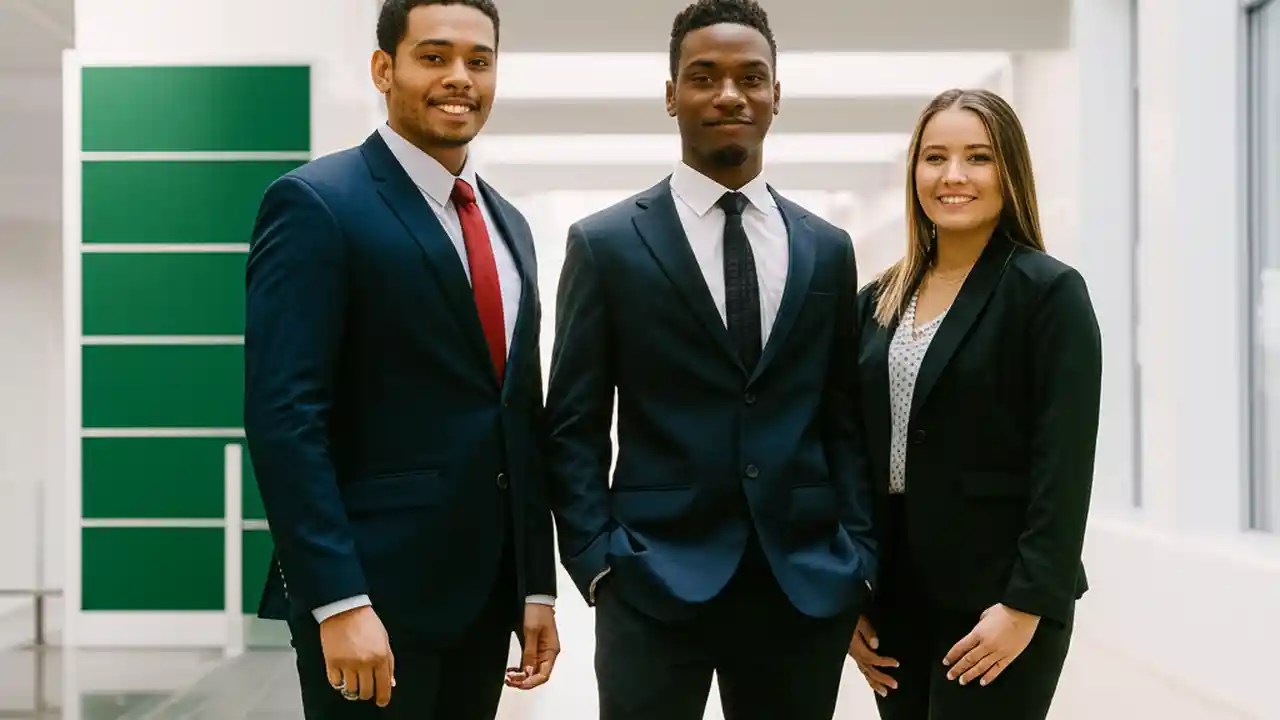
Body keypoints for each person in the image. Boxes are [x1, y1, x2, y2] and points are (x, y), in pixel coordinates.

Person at [544, 1, 877, 717]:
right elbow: (571, 422)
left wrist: (858, 558)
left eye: (751, 77)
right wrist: (597, 562)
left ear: (776, 95)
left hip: (801, 585)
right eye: (704, 76)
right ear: (671, 94)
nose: (730, 94)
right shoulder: (605, 246)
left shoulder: (827, 248)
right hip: (649, 583)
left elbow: (842, 418)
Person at [243, 1, 558, 717]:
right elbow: (285, 417)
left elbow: (516, 414)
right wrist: (337, 599)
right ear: (384, 69)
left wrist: (533, 584)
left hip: (482, 601)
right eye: (435, 56)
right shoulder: (316, 204)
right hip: (371, 602)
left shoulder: (507, 223)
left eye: (479, 61)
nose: (460, 78)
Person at [846, 88, 1102, 720]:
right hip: (894, 595)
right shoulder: (875, 301)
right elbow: (846, 449)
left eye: (978, 157)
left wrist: (1026, 605)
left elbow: (1064, 464)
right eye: (934, 157)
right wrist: (847, 590)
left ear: (1008, 171)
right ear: (914, 173)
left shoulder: (1049, 293)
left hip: (999, 596)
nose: (953, 175)